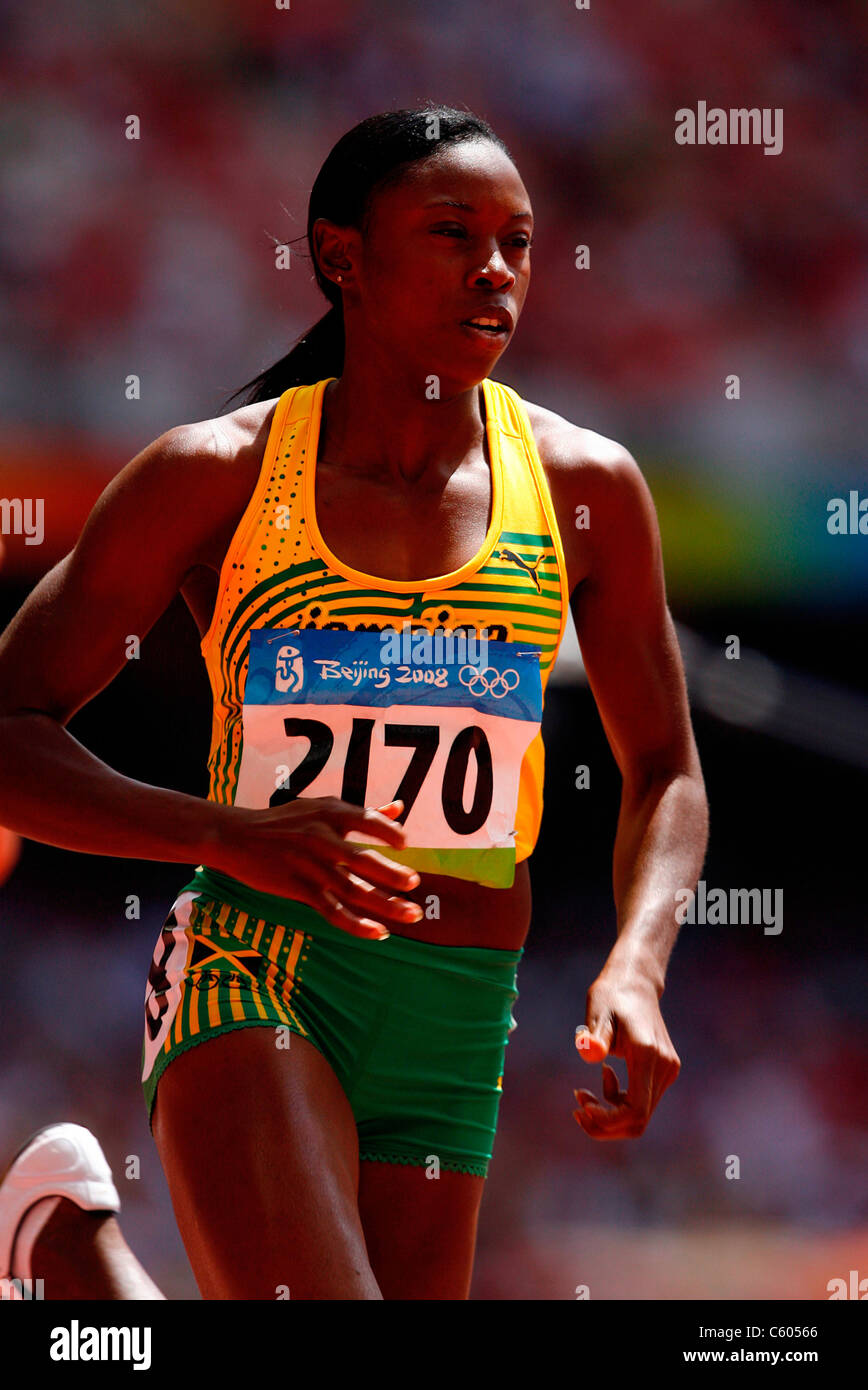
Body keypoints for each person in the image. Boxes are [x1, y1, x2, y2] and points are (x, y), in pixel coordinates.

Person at [0, 106, 708, 1300]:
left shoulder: (588, 488)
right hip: (260, 968)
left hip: (459, 1006)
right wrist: (222, 831)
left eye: (519, 242)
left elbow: (667, 774)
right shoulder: (216, 476)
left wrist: (637, 963)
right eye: (451, 231)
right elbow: (9, 728)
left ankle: (74, 1262)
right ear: (342, 257)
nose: (495, 267)